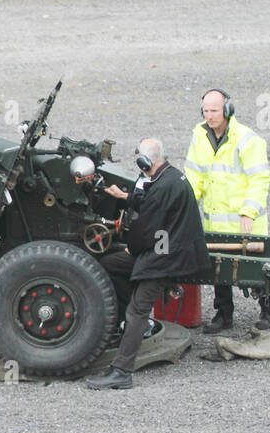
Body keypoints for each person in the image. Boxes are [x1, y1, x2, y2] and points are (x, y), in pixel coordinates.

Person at [86, 138, 210, 390]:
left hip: (165, 258)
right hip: (167, 249)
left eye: (139, 162)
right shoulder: (169, 177)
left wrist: (133, 245)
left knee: (138, 310)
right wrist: (125, 197)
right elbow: (151, 203)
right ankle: (119, 325)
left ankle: (122, 371)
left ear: (145, 161)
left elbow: (146, 229)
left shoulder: (164, 186)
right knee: (110, 264)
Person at [184, 89, 270, 332]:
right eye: (206, 111)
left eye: (214, 111)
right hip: (216, 222)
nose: (210, 116)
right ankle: (223, 314)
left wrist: (249, 211)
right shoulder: (199, 136)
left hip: (245, 222)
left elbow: (260, 178)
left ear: (227, 110)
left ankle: (268, 309)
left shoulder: (247, 139)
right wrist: (187, 207)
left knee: (258, 269)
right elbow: (194, 177)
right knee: (218, 271)